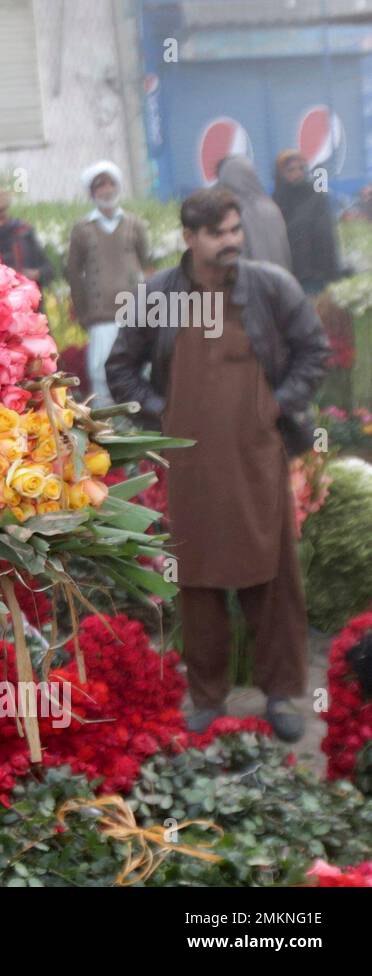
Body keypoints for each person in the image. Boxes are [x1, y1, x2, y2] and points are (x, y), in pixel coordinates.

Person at [106, 187, 331, 743]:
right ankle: (206, 696)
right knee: (198, 582)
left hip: (259, 457)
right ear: (189, 238)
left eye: (235, 230)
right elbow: (121, 368)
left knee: (273, 578)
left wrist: (276, 405)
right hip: (191, 466)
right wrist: (164, 417)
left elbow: (314, 351)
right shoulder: (160, 294)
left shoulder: (270, 286)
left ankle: (281, 695)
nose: (232, 241)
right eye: (218, 233)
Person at [66, 160, 151, 407]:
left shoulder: (135, 224)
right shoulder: (82, 229)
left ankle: (141, 425)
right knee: (101, 371)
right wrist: (84, 312)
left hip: (133, 311)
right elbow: (73, 273)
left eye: (111, 183)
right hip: (101, 315)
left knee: (139, 369)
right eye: (100, 185)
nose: (106, 190)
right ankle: (108, 431)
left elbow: (145, 263)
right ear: (92, 193)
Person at [272, 149, 341, 295]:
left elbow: (327, 238)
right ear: (280, 174)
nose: (297, 174)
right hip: (287, 276)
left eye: (301, 168)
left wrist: (332, 274)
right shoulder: (275, 204)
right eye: (290, 170)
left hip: (315, 276)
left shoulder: (315, 198)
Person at [215, 155, 292, 271]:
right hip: (278, 278)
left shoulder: (231, 211)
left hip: (247, 281)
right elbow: (283, 249)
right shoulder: (270, 207)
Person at [0, 186, 55, 286]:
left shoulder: (23, 233)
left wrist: (36, 274)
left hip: (24, 295)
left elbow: (48, 269)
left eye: (2, 218)